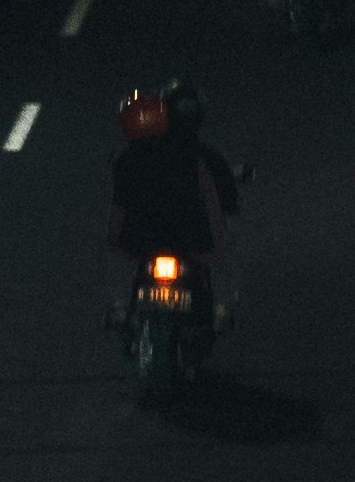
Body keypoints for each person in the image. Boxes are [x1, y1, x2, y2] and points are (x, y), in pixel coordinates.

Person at [106, 78, 248, 329]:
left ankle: (119, 309)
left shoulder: (134, 153)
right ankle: (220, 313)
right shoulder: (207, 157)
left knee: (118, 263)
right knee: (224, 264)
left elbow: (120, 201)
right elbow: (228, 201)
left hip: (143, 236)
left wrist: (116, 237)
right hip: (192, 237)